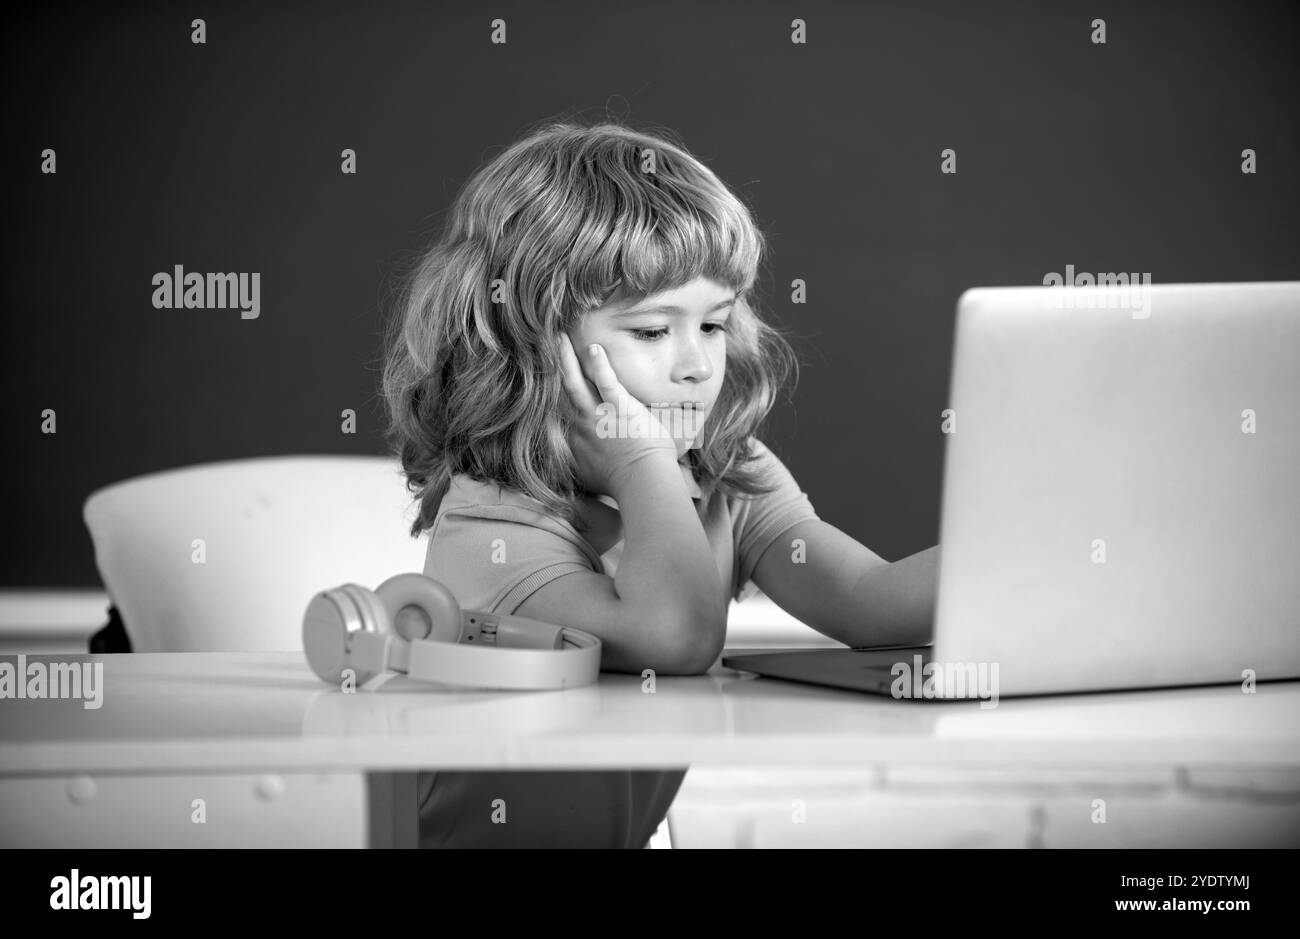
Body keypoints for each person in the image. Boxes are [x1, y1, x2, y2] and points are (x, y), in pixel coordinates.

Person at [380, 118, 938, 847]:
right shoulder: (494, 523)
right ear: (529, 341)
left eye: (713, 324)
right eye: (651, 331)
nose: (698, 367)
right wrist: (640, 462)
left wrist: (1035, 542)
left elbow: (874, 606)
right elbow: (676, 636)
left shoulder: (726, 473)